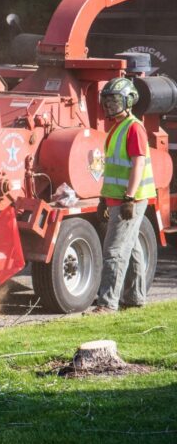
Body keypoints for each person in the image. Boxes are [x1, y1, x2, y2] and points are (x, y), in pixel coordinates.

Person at [92, 77, 156, 313]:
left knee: (114, 252)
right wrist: (104, 198)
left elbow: (138, 164)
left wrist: (129, 197)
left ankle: (107, 304)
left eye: (115, 100)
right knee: (133, 248)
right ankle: (135, 298)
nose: (109, 105)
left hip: (130, 200)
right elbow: (113, 169)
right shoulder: (117, 128)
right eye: (106, 100)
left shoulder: (134, 128)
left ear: (128, 101)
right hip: (119, 199)